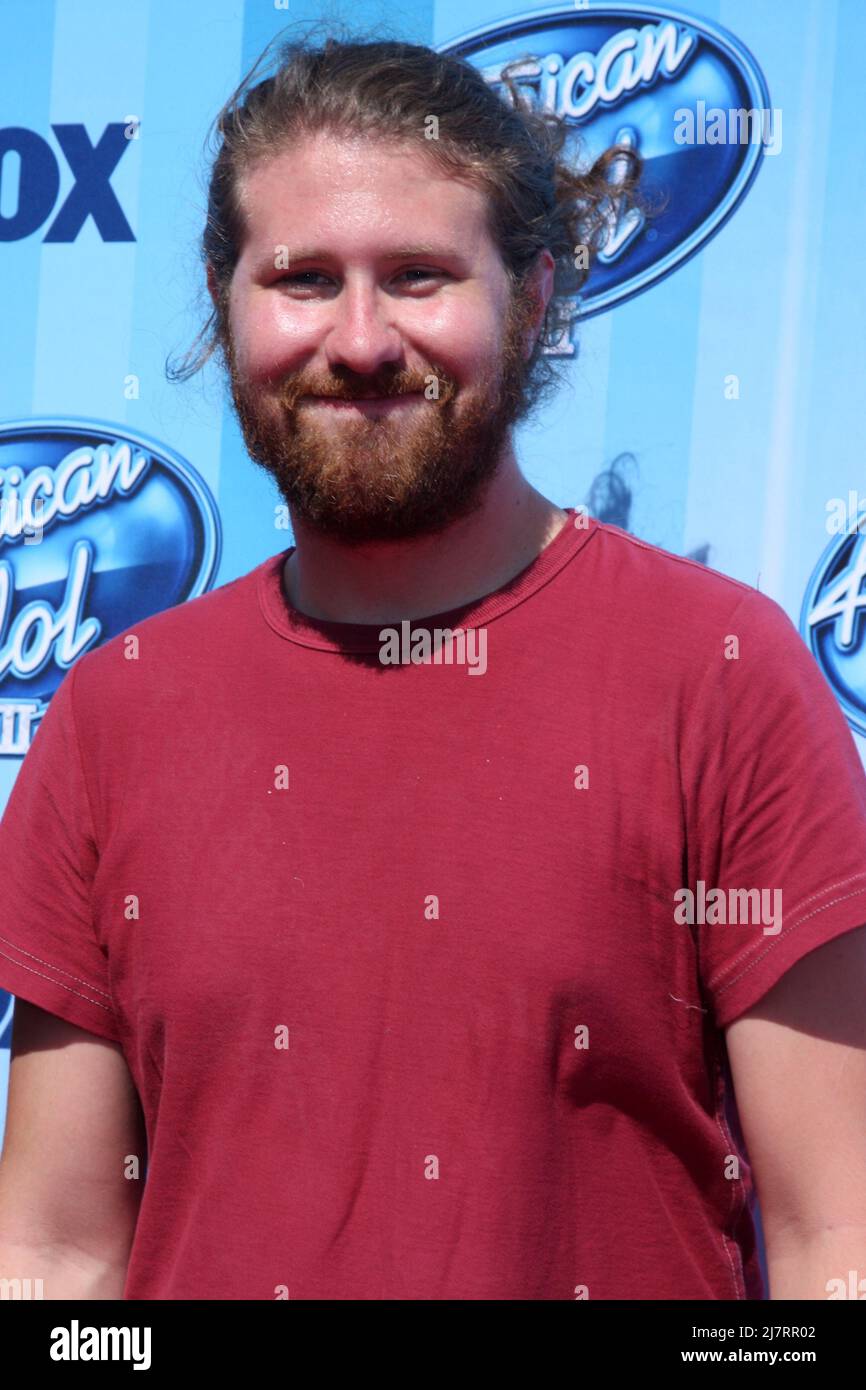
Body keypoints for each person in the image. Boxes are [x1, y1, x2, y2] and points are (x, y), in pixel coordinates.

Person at [1, 33, 865, 1302]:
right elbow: (54, 1254)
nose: (358, 341)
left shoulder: (720, 676)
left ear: (530, 297)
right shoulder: (115, 713)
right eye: (300, 278)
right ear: (224, 299)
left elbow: (830, 1242)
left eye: (416, 276)